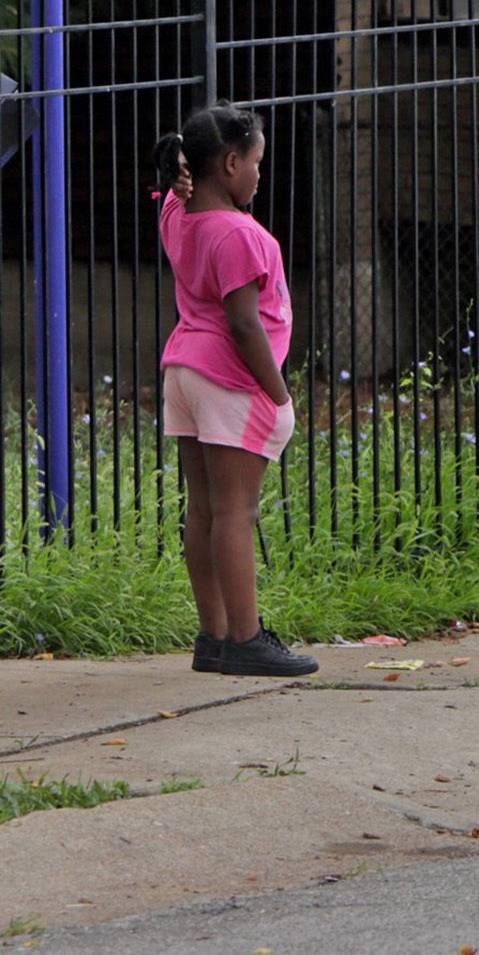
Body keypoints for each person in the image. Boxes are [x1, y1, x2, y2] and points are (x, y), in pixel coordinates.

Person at [153, 105, 317, 678]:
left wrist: (174, 167)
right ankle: (245, 639)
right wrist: (279, 395)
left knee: (203, 510)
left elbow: (174, 183)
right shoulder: (242, 235)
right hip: (231, 381)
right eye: (254, 163)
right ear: (228, 163)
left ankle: (214, 636)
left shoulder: (178, 213)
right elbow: (245, 323)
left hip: (184, 374)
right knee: (236, 512)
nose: (258, 174)